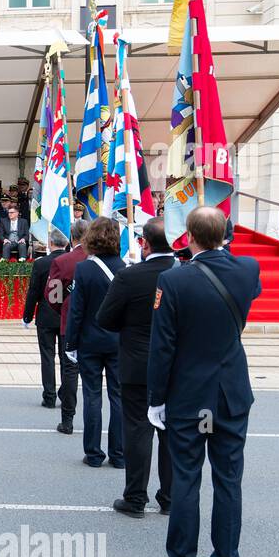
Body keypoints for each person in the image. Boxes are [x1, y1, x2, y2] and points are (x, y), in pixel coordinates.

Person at [148, 206, 262, 557]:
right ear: (225, 235)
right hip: (230, 393)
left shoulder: (173, 280)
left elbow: (162, 348)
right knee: (229, 481)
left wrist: (156, 398)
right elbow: (249, 291)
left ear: (189, 236)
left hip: (189, 396)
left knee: (187, 479)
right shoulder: (248, 270)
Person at [97, 218, 176, 517]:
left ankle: (135, 497)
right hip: (174, 367)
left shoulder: (131, 276)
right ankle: (169, 497)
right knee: (170, 432)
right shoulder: (184, 272)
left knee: (138, 431)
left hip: (138, 363)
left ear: (144, 243)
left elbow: (105, 319)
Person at [65, 217, 125, 469]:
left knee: (92, 396)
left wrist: (70, 343)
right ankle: (119, 454)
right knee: (118, 397)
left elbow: (76, 311)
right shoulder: (125, 267)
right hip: (118, 342)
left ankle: (93, 453)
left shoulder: (85, 269)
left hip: (90, 340)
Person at [46, 219, 89, 435]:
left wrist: (63, 309)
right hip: (98, 325)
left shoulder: (63, 261)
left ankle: (68, 419)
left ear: (72, 237)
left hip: (70, 322)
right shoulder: (100, 259)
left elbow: (52, 296)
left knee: (69, 370)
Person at [22, 228, 70, 409]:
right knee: (66, 358)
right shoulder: (73, 262)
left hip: (46, 314)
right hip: (66, 315)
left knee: (47, 357)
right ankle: (66, 394)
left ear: (50, 243)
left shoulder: (41, 263)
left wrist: (27, 315)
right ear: (66, 244)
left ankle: (49, 396)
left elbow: (33, 291)